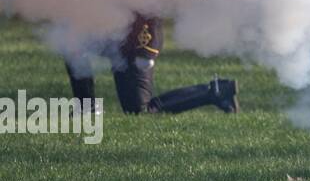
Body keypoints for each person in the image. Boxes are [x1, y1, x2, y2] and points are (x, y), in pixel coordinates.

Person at [64, 14, 239, 115]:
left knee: (139, 111)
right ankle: (86, 106)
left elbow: (151, 3)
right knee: (73, 43)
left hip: (136, 44)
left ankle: (214, 91)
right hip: (111, 29)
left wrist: (146, 52)